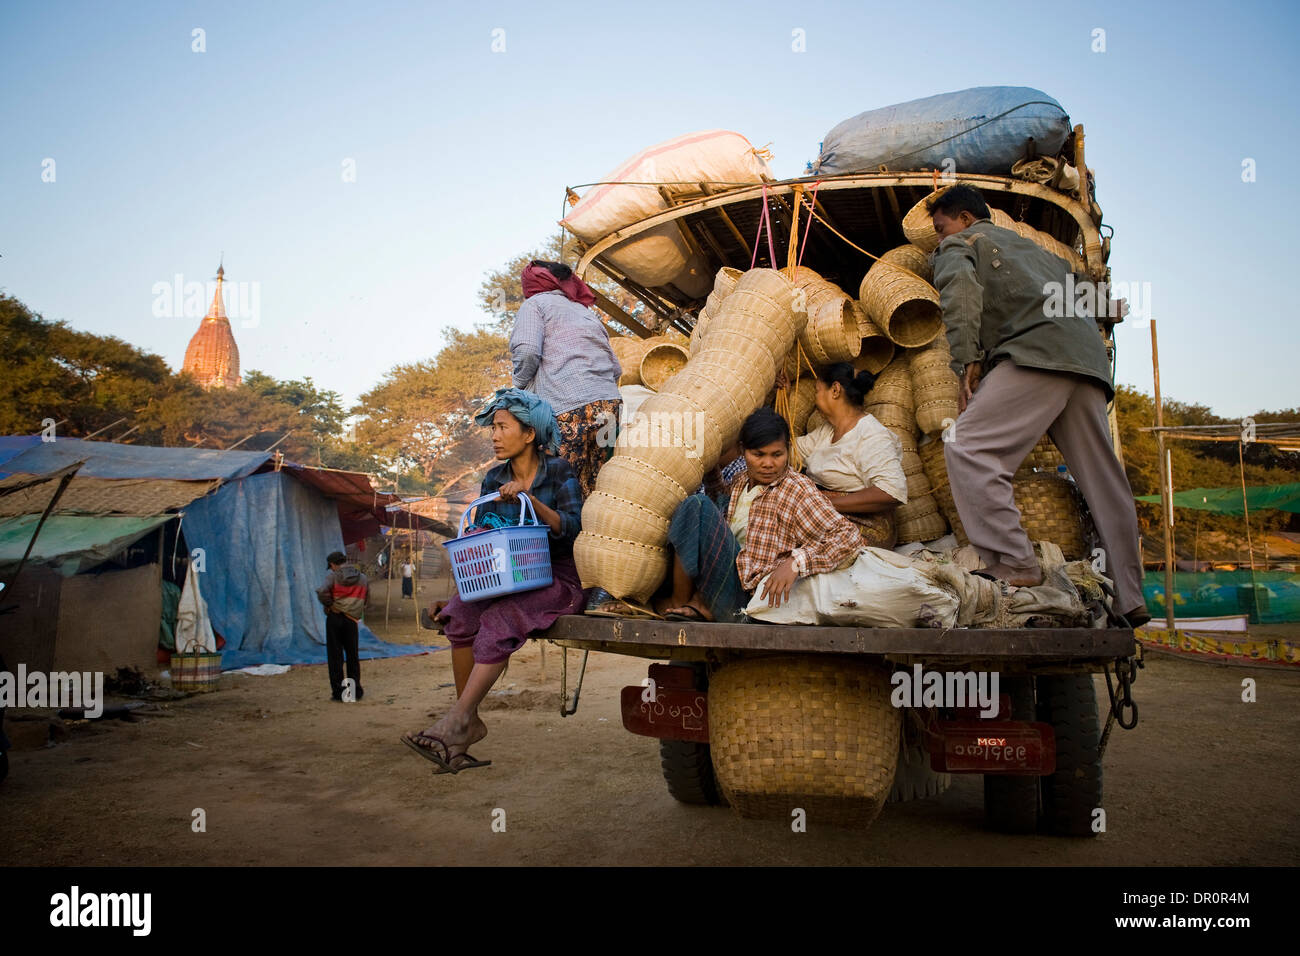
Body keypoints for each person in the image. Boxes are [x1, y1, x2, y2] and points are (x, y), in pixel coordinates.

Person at [928, 184, 1148, 626]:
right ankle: (1130, 595)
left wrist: (967, 361)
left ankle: (1014, 561)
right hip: (1086, 362)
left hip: (1036, 354)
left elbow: (961, 298)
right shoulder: (1041, 254)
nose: (938, 238)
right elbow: (1098, 302)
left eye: (940, 227)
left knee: (967, 445)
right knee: (1104, 482)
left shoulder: (963, 243)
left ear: (966, 219)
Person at [401, 387, 585, 773]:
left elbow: (574, 529)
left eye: (503, 427)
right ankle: (466, 724)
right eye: (494, 428)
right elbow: (478, 541)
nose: (495, 435)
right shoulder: (493, 478)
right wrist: (457, 594)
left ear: (530, 433)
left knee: (501, 620)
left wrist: (530, 501)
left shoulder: (559, 470)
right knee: (459, 617)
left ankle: (456, 721)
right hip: (506, 573)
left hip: (557, 578)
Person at [656, 408, 864, 622]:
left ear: (788, 451)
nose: (768, 464)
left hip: (747, 595)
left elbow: (847, 536)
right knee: (698, 505)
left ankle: (679, 602)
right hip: (721, 576)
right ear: (743, 451)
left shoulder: (796, 489)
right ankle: (696, 601)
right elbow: (719, 502)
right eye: (758, 455)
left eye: (777, 455)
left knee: (696, 504)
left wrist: (795, 562)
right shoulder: (741, 481)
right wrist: (707, 459)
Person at [510, 260, 622, 499]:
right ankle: (598, 534)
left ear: (529, 286)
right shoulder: (584, 311)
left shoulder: (534, 305)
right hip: (609, 405)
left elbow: (528, 351)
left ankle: (567, 536)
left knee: (562, 490)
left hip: (568, 408)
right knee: (600, 489)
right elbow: (615, 368)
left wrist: (517, 386)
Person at [796, 362, 907, 548]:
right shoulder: (826, 432)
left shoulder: (871, 434)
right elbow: (788, 452)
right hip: (827, 514)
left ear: (835, 390)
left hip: (862, 525)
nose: (815, 398)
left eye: (817, 390)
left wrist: (827, 503)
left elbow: (890, 491)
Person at [315, 551, 369, 701]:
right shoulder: (362, 578)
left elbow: (321, 592)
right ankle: (354, 691)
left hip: (335, 618)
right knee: (352, 656)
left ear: (332, 564)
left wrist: (331, 605)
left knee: (335, 656)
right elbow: (365, 600)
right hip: (351, 620)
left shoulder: (332, 576)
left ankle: (339, 693)